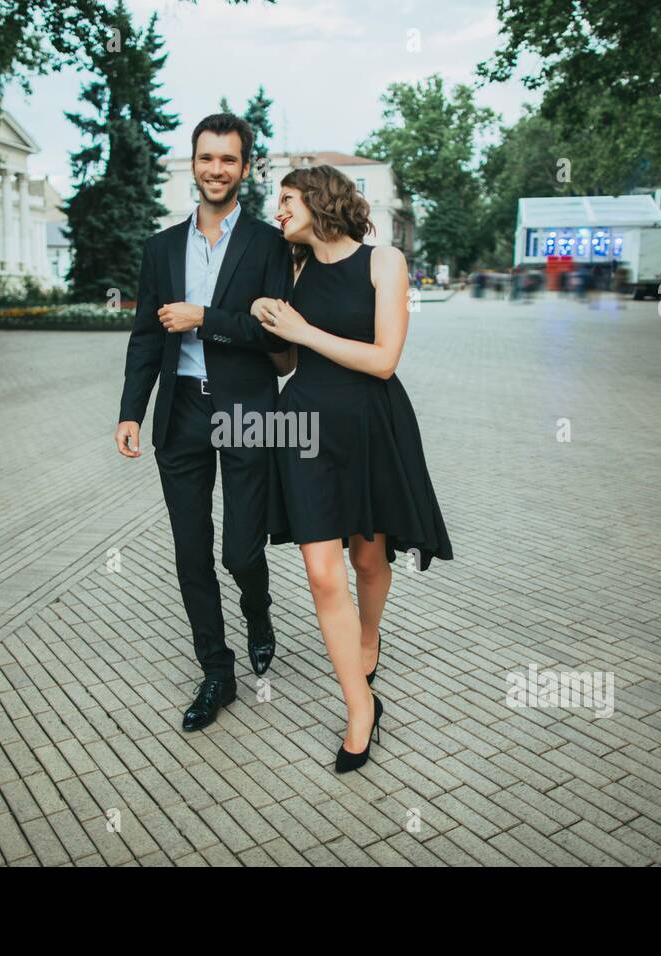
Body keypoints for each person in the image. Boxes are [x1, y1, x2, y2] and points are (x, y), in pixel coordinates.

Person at [251, 165, 453, 775]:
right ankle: (359, 705)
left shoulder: (383, 262)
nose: (278, 211)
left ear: (318, 199)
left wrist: (303, 330)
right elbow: (288, 361)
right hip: (304, 427)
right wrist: (270, 327)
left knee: (368, 558)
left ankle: (369, 639)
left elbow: (385, 360)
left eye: (285, 200)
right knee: (320, 573)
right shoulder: (293, 268)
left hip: (369, 423)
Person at [115, 113, 291, 733]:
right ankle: (216, 672)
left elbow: (272, 328)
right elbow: (144, 337)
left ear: (245, 168)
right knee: (191, 548)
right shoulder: (161, 248)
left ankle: (259, 609)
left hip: (246, 410)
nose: (216, 169)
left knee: (240, 549)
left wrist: (204, 317)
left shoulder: (269, 244)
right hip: (182, 411)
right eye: (206, 158)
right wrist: (131, 412)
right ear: (192, 164)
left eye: (228, 160)